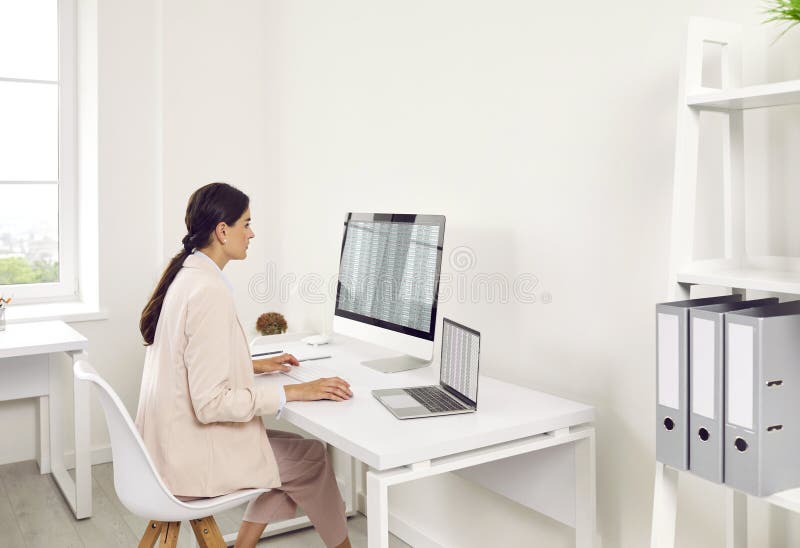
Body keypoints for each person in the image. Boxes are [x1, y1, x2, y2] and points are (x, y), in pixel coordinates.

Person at [136, 182, 353, 548]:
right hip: (188, 460)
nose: (251, 233)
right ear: (223, 231)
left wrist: (254, 365)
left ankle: (244, 545)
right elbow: (211, 404)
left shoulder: (187, 277)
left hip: (166, 449)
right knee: (310, 458)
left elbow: (190, 363)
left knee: (302, 457)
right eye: (246, 223)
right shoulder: (208, 291)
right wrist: (294, 391)